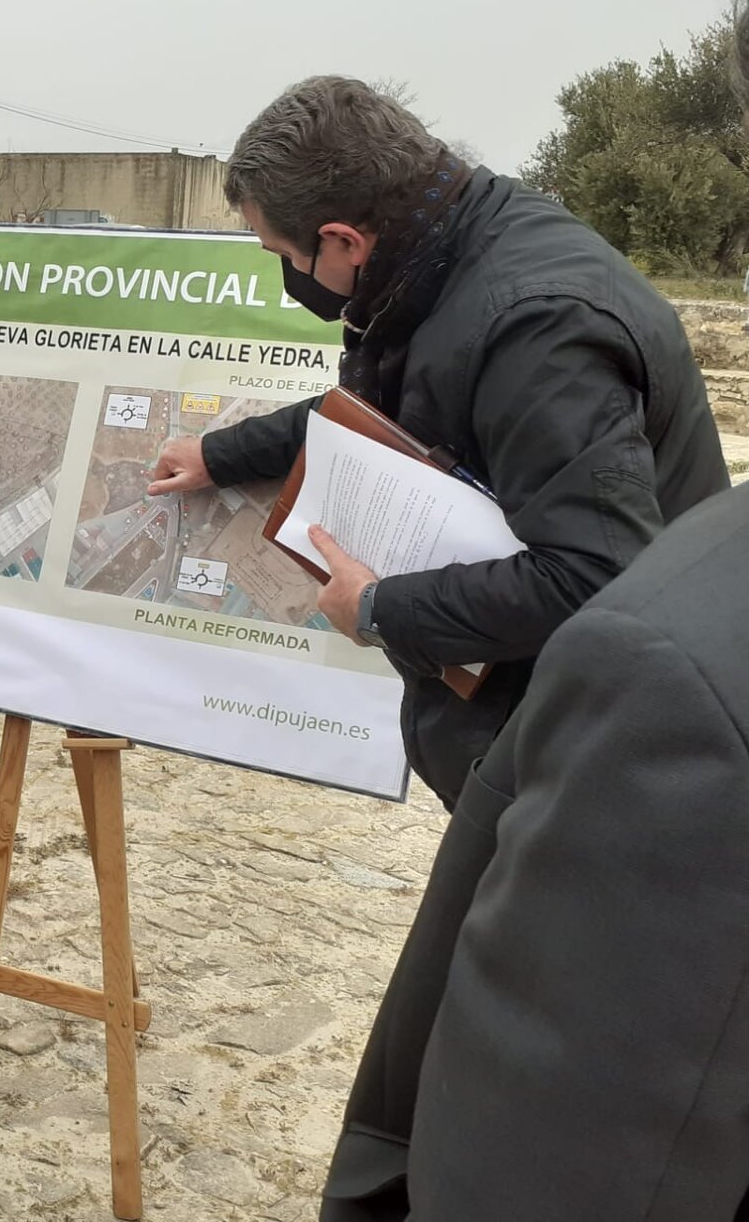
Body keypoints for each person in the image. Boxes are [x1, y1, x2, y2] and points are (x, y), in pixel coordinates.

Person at [323, 0, 749, 1218]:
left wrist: (381, 607)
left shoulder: (673, 698)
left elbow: (592, 576)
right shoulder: (491, 276)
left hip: (528, 739)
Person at [151, 76, 728, 806]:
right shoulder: (446, 252)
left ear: (343, 241)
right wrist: (220, 454)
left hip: (601, 760)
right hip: (543, 727)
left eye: (283, 256)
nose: (287, 277)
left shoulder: (535, 329)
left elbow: (596, 577)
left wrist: (381, 608)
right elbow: (384, 411)